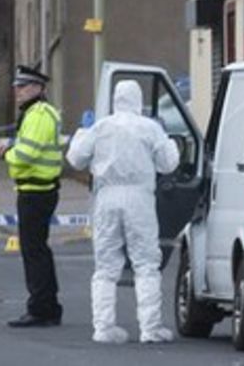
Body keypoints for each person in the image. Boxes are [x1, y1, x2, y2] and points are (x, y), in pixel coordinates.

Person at [65, 80, 179, 344]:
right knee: (146, 263)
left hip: (107, 196)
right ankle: (150, 328)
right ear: (138, 100)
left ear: (115, 99)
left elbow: (75, 159)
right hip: (139, 198)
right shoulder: (149, 128)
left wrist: (83, 130)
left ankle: (103, 328)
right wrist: (166, 138)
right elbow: (169, 164)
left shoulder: (101, 127)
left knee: (105, 266)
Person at [0, 64, 63, 328]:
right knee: (38, 249)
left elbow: (27, 155)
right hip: (35, 189)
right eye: (16, 87)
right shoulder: (34, 114)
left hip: (37, 191)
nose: (17, 92)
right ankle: (48, 306)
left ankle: (41, 309)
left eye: (23, 87)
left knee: (34, 251)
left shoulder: (39, 114)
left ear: (38, 88)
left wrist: (6, 154)